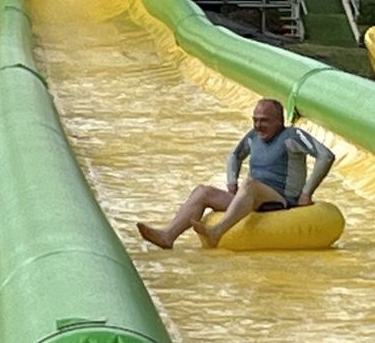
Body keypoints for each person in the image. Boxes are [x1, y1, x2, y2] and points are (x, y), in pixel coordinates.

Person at [136, 98, 336, 249]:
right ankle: (168, 236)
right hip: (251, 196)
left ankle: (218, 231)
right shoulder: (253, 136)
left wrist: (306, 192)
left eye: (264, 121)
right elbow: (234, 155)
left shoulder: (291, 136)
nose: (258, 126)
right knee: (203, 191)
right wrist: (231, 182)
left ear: (279, 121)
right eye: (255, 120)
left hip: (281, 199)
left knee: (249, 184)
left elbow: (326, 156)